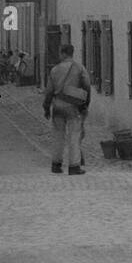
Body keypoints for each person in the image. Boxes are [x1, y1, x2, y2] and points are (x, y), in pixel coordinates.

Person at [42, 42, 90, 174]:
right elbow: (87, 87)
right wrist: (85, 106)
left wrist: (46, 107)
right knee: (74, 136)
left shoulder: (55, 69)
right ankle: (74, 166)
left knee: (58, 136)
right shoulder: (79, 68)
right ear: (72, 53)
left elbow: (49, 91)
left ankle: (56, 164)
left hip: (57, 105)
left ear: (63, 53)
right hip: (73, 106)